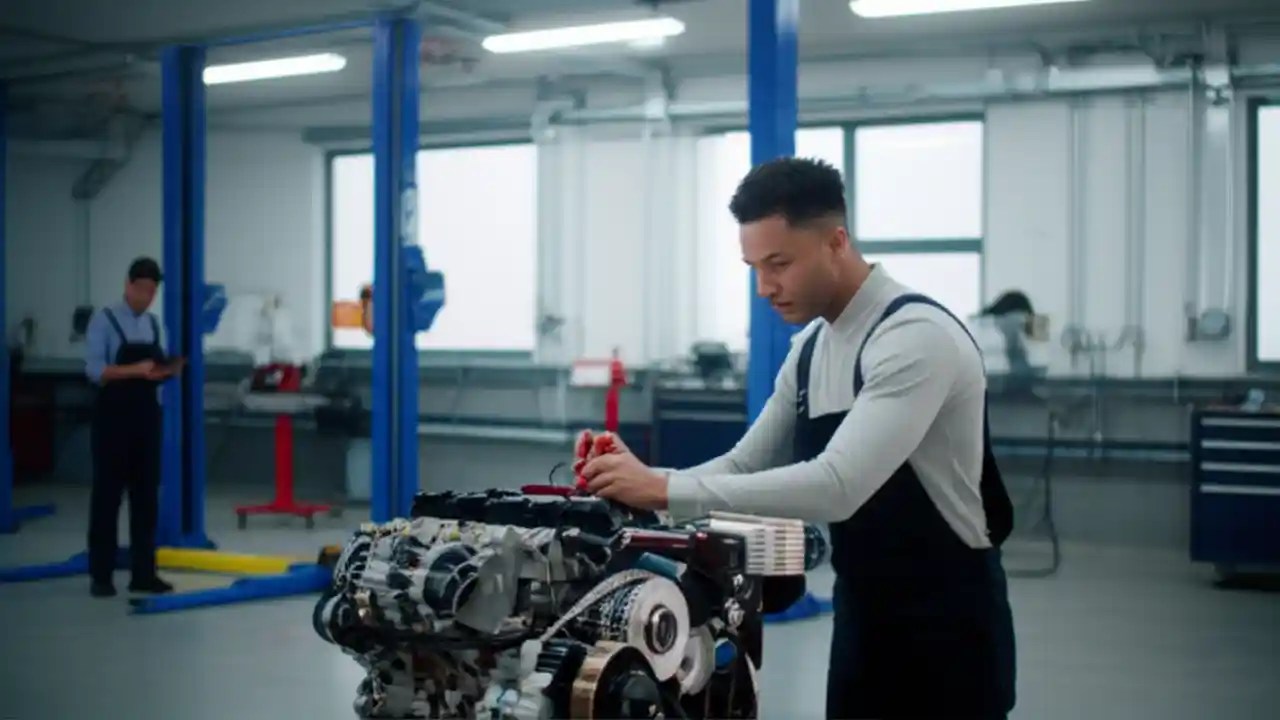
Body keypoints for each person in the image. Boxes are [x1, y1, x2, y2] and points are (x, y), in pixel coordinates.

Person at [578, 158, 1017, 718]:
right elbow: (743, 465)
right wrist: (635, 479)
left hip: (949, 622)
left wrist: (663, 489)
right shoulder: (811, 348)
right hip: (862, 608)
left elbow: (838, 486)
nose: (764, 287)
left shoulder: (913, 338)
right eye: (754, 267)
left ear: (836, 241)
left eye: (779, 264)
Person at [83, 257, 182, 598]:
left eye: (153, 292)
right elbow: (95, 370)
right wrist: (136, 370)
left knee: (145, 500)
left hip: (146, 419)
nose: (146, 297)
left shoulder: (156, 326)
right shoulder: (104, 320)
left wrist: (165, 371)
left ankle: (144, 574)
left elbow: (156, 366)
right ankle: (101, 575)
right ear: (128, 285)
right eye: (142, 290)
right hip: (112, 420)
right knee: (107, 499)